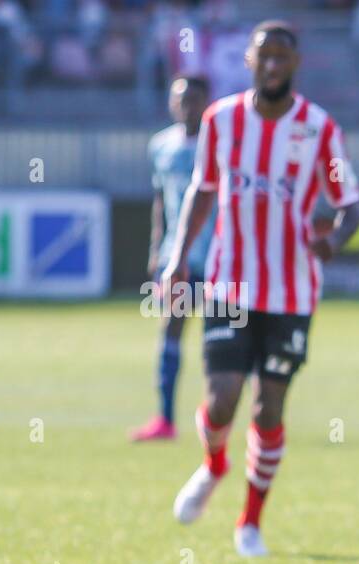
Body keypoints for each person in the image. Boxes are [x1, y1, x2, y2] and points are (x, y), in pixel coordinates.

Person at [160, 21, 359, 557]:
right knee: (222, 400)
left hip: (293, 292)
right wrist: (177, 261)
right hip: (231, 283)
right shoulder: (220, 119)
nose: (273, 65)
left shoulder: (318, 128)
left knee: (268, 409)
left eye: (283, 57)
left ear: (295, 64)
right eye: (264, 56)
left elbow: (351, 203)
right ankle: (213, 464)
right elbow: (201, 193)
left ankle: (249, 522)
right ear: (249, 61)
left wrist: (335, 240)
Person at [131, 75, 214, 442]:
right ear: (171, 102)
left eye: (194, 99)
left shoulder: (221, 144)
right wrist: (157, 249)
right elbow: (160, 201)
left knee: (224, 337)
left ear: (206, 103)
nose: (187, 106)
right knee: (171, 331)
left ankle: (219, 417)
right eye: (181, 99)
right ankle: (165, 418)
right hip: (177, 260)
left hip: (219, 258)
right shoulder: (161, 145)